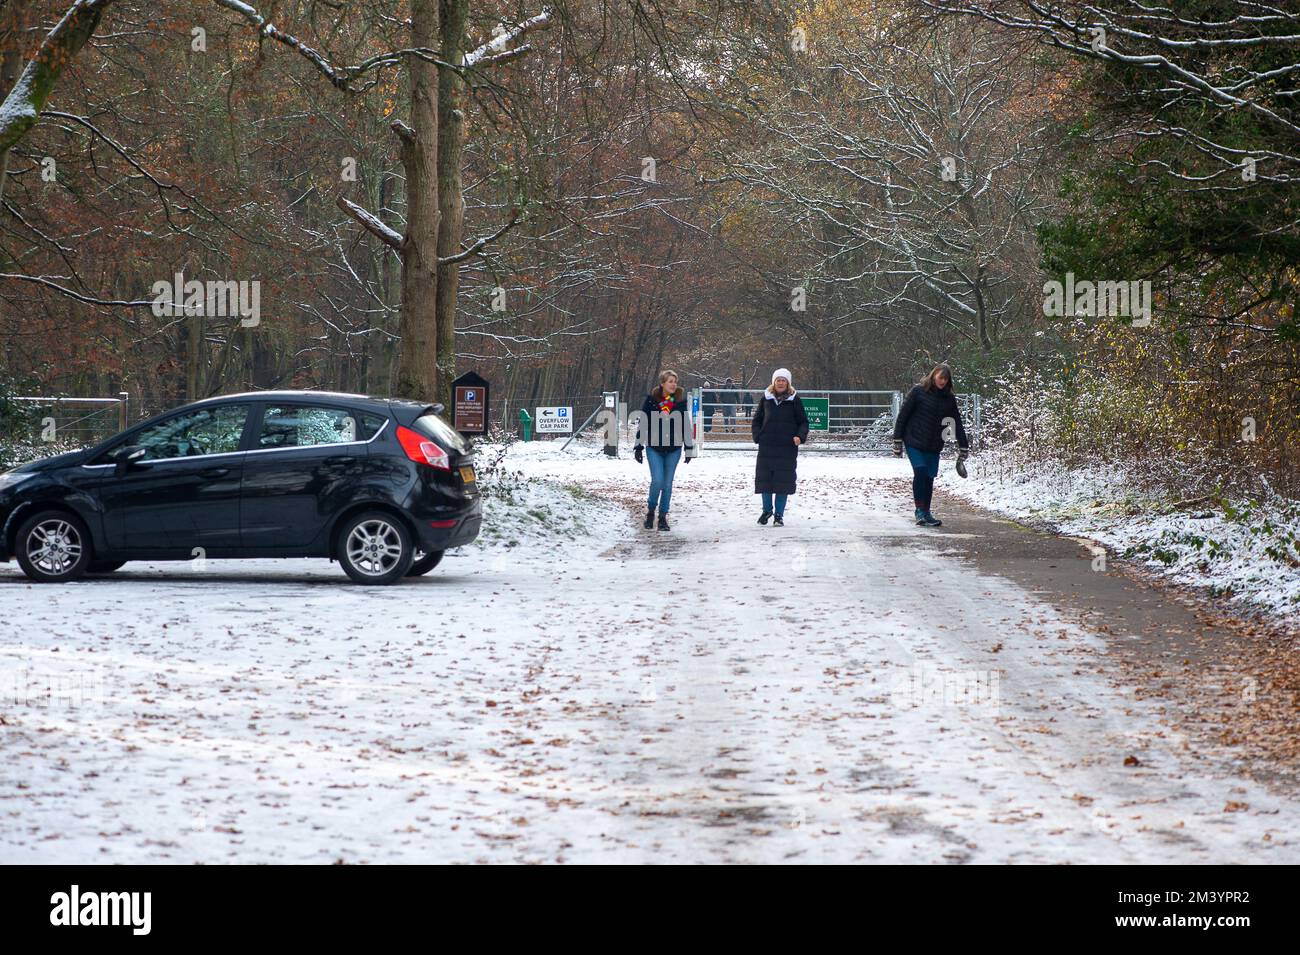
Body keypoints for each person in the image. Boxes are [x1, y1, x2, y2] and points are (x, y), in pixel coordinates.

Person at [892, 363, 970, 527]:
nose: (943, 381)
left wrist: (963, 446)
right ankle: (919, 510)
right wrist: (897, 440)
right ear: (934, 376)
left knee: (929, 477)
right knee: (920, 470)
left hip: (934, 443)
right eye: (941, 377)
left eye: (946, 379)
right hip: (914, 439)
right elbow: (903, 416)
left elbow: (956, 422)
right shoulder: (918, 392)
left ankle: (927, 512)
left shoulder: (948, 399)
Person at [633, 369, 693, 530]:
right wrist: (638, 446)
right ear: (662, 384)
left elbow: (685, 425)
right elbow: (643, 423)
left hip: (674, 449)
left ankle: (662, 517)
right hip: (654, 448)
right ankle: (651, 511)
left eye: (675, 381)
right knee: (658, 480)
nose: (674, 384)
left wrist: (689, 448)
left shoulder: (680, 401)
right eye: (670, 381)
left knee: (667, 484)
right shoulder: (651, 401)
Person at [752, 368, 808, 527]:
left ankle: (779, 515)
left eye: (784, 380)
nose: (781, 382)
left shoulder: (794, 400)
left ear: (788, 383)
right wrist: (757, 435)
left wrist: (800, 436)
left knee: (783, 482)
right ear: (774, 382)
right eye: (778, 380)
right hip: (767, 447)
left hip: (786, 448)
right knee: (765, 481)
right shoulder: (766, 399)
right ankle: (767, 509)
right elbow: (757, 420)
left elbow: (803, 422)